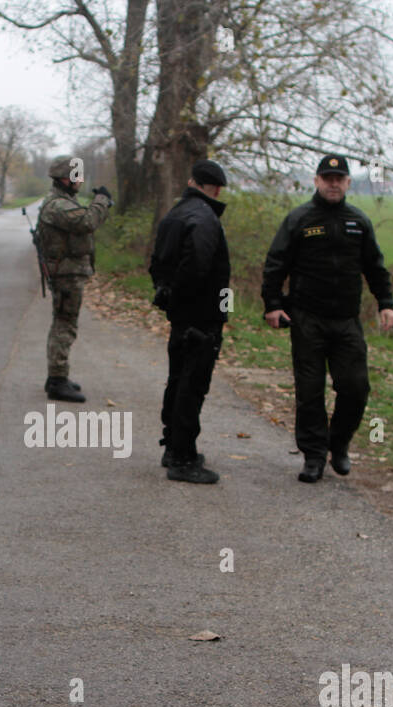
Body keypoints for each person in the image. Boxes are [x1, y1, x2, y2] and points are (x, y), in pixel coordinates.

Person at [260, 155, 393, 483]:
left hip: (347, 321)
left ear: (348, 183)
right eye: (327, 178)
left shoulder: (358, 222)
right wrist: (272, 304)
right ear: (316, 181)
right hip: (307, 319)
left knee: (356, 388)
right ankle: (314, 455)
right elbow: (275, 264)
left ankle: (339, 443)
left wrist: (386, 303)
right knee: (309, 391)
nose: (333, 183)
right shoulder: (299, 219)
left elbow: (375, 267)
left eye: (339, 178)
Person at [148, 159, 231, 484]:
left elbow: (156, 264)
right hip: (201, 315)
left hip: (181, 315)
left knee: (177, 378)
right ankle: (182, 458)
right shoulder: (205, 219)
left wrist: (168, 297)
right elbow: (198, 267)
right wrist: (214, 310)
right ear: (217, 188)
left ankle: (173, 447)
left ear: (191, 180)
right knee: (192, 384)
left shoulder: (174, 214)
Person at [34, 156, 113, 403]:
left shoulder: (65, 202)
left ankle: (57, 377)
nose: (80, 181)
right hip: (66, 275)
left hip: (68, 272)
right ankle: (57, 381)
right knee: (64, 325)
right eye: (77, 176)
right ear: (66, 179)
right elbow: (87, 221)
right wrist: (102, 200)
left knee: (65, 323)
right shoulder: (57, 205)